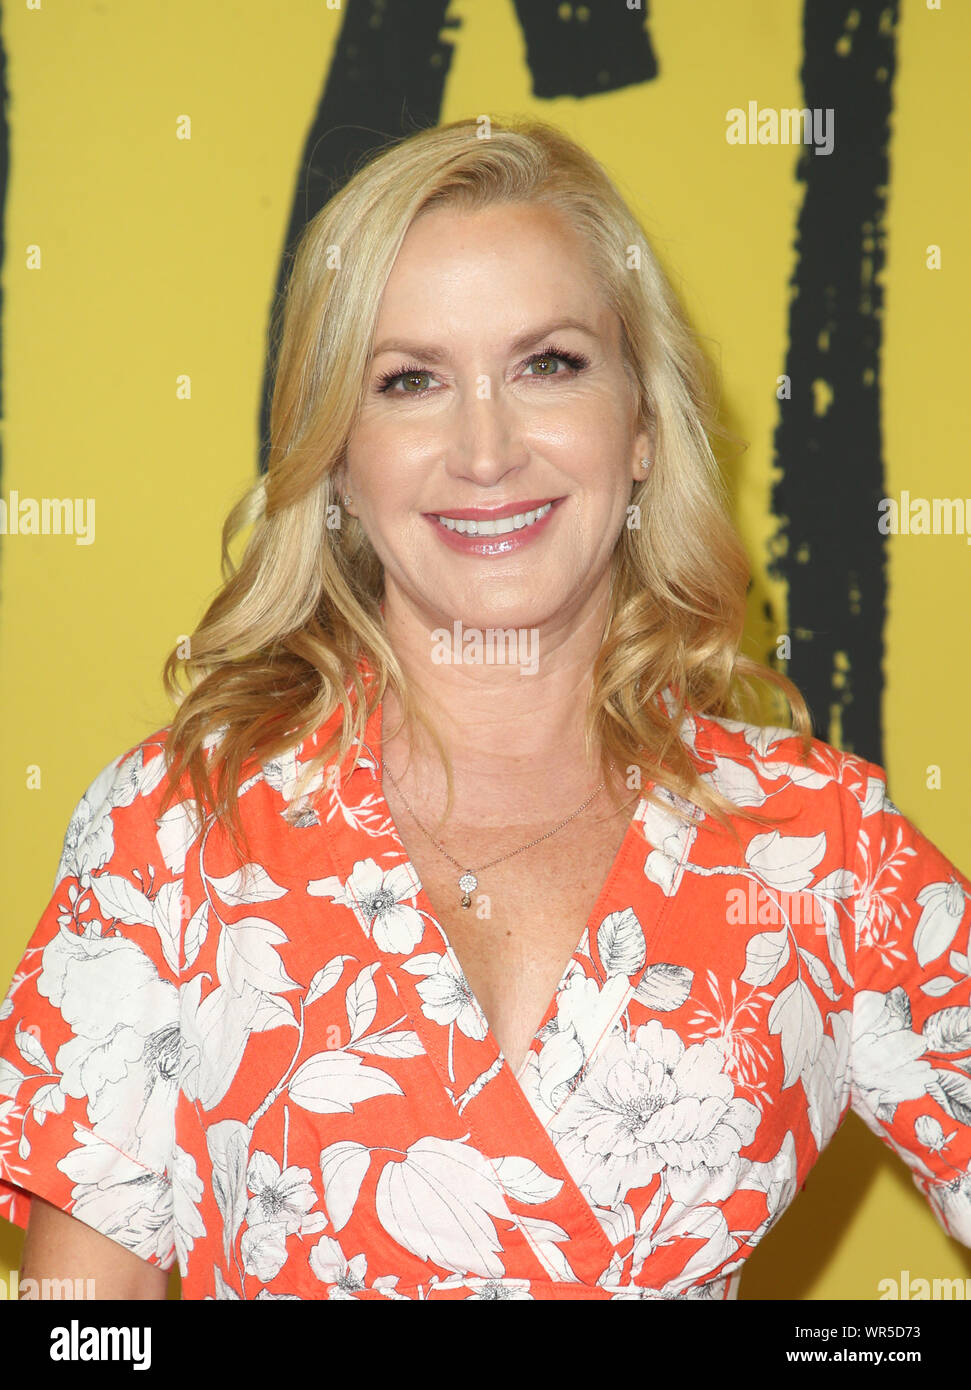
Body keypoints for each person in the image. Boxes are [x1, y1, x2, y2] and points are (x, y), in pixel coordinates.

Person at [1, 117, 969, 1302]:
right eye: (408, 381)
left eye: (546, 364)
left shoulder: (819, 849)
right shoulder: (179, 830)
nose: (485, 447)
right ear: (338, 464)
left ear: (645, 429)